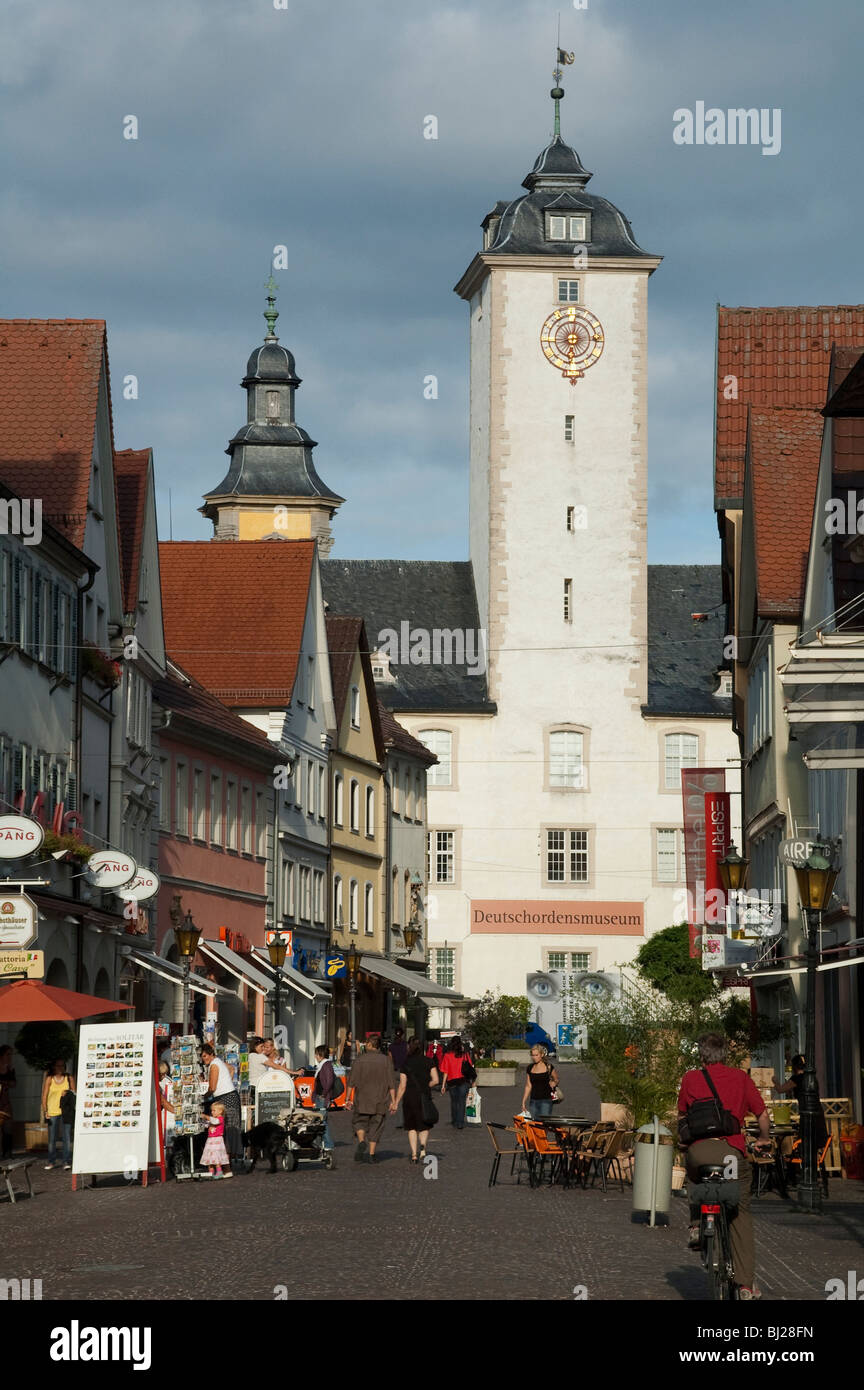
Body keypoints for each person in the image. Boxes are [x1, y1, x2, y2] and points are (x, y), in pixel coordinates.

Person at [678, 1032, 772, 1301]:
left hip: (700, 1151)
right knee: (739, 1213)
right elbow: (762, 1113)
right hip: (731, 1153)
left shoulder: (691, 1078)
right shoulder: (741, 1079)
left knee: (693, 1174)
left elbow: (682, 1113)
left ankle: (696, 1223)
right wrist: (764, 1138)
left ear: (701, 1055)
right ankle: (744, 1285)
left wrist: (685, 1142)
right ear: (725, 1055)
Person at [347, 1036, 397, 1164]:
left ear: (369, 1044)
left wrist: (348, 1099)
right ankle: (371, 1154)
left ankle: (362, 1141)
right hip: (380, 1099)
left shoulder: (360, 1060)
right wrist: (394, 1101)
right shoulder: (386, 1060)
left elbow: (351, 1082)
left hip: (362, 1099)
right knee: (376, 1125)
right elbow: (391, 1083)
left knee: (359, 1122)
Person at [771, 1054, 829, 1154]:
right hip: (817, 1112)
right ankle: (814, 1166)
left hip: (807, 1114)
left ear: (795, 1066)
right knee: (813, 1144)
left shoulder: (797, 1078)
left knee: (806, 1143)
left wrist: (775, 1081)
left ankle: (804, 1165)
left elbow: (781, 1089)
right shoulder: (811, 1078)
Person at [395, 1037, 440, 1163]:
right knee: (424, 1125)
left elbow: (402, 1085)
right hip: (424, 1097)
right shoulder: (429, 1061)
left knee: (412, 1127)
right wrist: (427, 1085)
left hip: (409, 1098)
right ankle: (423, 1149)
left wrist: (396, 1102)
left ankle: (414, 1155)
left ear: (409, 1047)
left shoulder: (405, 1063)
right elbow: (436, 1080)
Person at [200, 1044, 242, 1168]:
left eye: (205, 1055)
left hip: (226, 1098)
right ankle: (228, 1160)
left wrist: (203, 1097)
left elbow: (212, 1088)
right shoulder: (219, 1061)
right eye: (202, 1056)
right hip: (231, 1095)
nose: (204, 1059)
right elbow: (232, 1069)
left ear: (211, 1054)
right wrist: (227, 1082)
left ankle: (226, 1162)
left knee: (226, 1129)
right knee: (231, 1128)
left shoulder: (214, 1065)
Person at [41, 1058, 75, 1171]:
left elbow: (75, 1093)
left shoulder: (69, 1078)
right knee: (52, 1138)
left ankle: (66, 1161)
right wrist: (45, 1111)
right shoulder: (49, 1078)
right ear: (53, 1067)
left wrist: (69, 1092)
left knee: (66, 1137)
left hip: (66, 1112)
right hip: (52, 1111)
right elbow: (44, 1095)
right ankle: (51, 1161)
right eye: (58, 1066)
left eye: (62, 1066)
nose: (60, 1068)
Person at [439, 1037, 474, 1130]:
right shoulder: (465, 1055)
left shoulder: (447, 1055)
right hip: (463, 1081)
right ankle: (460, 1123)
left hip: (452, 1082)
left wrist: (443, 1085)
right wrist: (473, 1082)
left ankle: (455, 1120)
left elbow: (445, 1071)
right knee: (461, 1102)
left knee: (454, 1102)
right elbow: (471, 1067)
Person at [521, 1044, 559, 1120]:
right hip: (533, 1101)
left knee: (544, 1124)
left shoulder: (548, 1067)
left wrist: (554, 1082)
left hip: (546, 1100)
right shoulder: (530, 1068)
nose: (534, 1057)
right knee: (534, 1124)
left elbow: (556, 1079)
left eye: (536, 1055)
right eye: (533, 1055)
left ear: (541, 1054)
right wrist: (523, 1101)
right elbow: (528, 1086)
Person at [311, 1045, 337, 1156]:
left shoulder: (326, 1065)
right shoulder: (322, 1065)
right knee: (320, 1121)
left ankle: (328, 1144)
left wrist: (324, 1094)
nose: (315, 1056)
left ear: (320, 1054)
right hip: (319, 1096)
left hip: (323, 1097)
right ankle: (322, 1143)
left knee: (322, 1121)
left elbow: (329, 1080)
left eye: (316, 1054)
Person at [201, 1101, 231, 1178]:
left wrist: (206, 1116)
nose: (212, 1112)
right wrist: (203, 1120)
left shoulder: (220, 1119)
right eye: (212, 1110)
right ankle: (211, 1172)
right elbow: (206, 1125)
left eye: (214, 1110)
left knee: (216, 1156)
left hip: (217, 1140)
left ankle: (219, 1172)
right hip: (210, 1140)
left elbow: (215, 1121)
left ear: (220, 1111)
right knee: (209, 1156)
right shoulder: (212, 1119)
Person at [0, 1044, 16, 1158]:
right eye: (8, 1054)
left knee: (8, 1127)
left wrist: (6, 1083)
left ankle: (8, 1153)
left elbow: (14, 1083)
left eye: (11, 1054)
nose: (10, 1057)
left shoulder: (10, 1069)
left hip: (5, 1101)